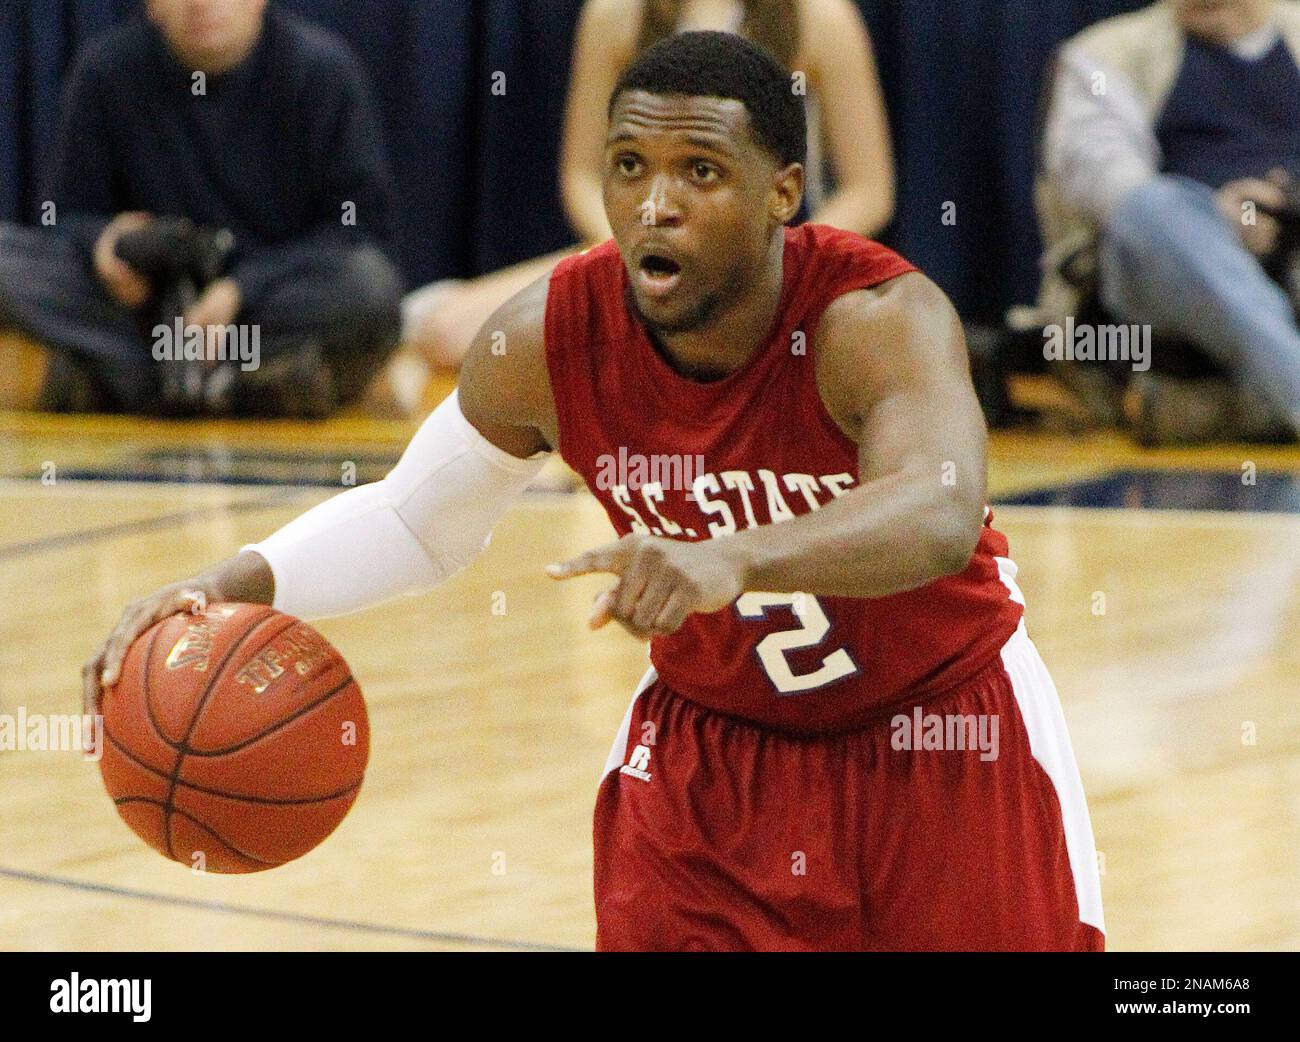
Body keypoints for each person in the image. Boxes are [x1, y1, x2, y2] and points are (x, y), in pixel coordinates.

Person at [84, 32, 1103, 951]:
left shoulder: (871, 317)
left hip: (940, 740)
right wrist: (229, 583)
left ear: (782, 192)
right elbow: (414, 519)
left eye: (699, 171)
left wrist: (732, 555)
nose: (654, 204)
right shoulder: (543, 340)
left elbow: (935, 513)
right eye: (630, 167)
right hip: (711, 765)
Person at [403, 0, 894, 370]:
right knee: (446, 329)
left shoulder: (822, 18)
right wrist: (633, 246)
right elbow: (581, 175)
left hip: (762, 260)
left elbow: (870, 191)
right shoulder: (615, 14)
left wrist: (778, 262)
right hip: (641, 245)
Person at [0, 0, 403, 417]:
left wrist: (242, 289)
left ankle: (130, 381)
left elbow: (361, 228)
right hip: (149, 308)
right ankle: (248, 386)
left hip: (263, 306)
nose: (202, 4)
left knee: (369, 285)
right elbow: (62, 217)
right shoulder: (107, 69)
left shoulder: (320, 71)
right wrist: (105, 241)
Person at [1040, 0, 1300, 444]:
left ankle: (1227, 409)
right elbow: (1105, 183)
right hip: (1158, 283)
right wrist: (1217, 218)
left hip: (1290, 253)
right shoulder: (1104, 52)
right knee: (1149, 208)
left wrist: (1287, 205)